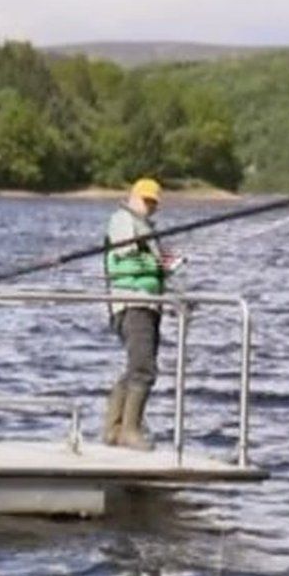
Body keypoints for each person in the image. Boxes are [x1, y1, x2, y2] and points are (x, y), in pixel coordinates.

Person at [102, 176, 180, 450]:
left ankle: (114, 428)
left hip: (148, 305)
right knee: (144, 369)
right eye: (146, 200)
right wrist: (157, 261)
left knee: (136, 367)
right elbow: (125, 253)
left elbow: (149, 262)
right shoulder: (123, 219)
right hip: (133, 304)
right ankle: (129, 431)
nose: (150, 206)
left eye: (154, 202)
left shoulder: (146, 228)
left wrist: (166, 265)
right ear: (133, 197)